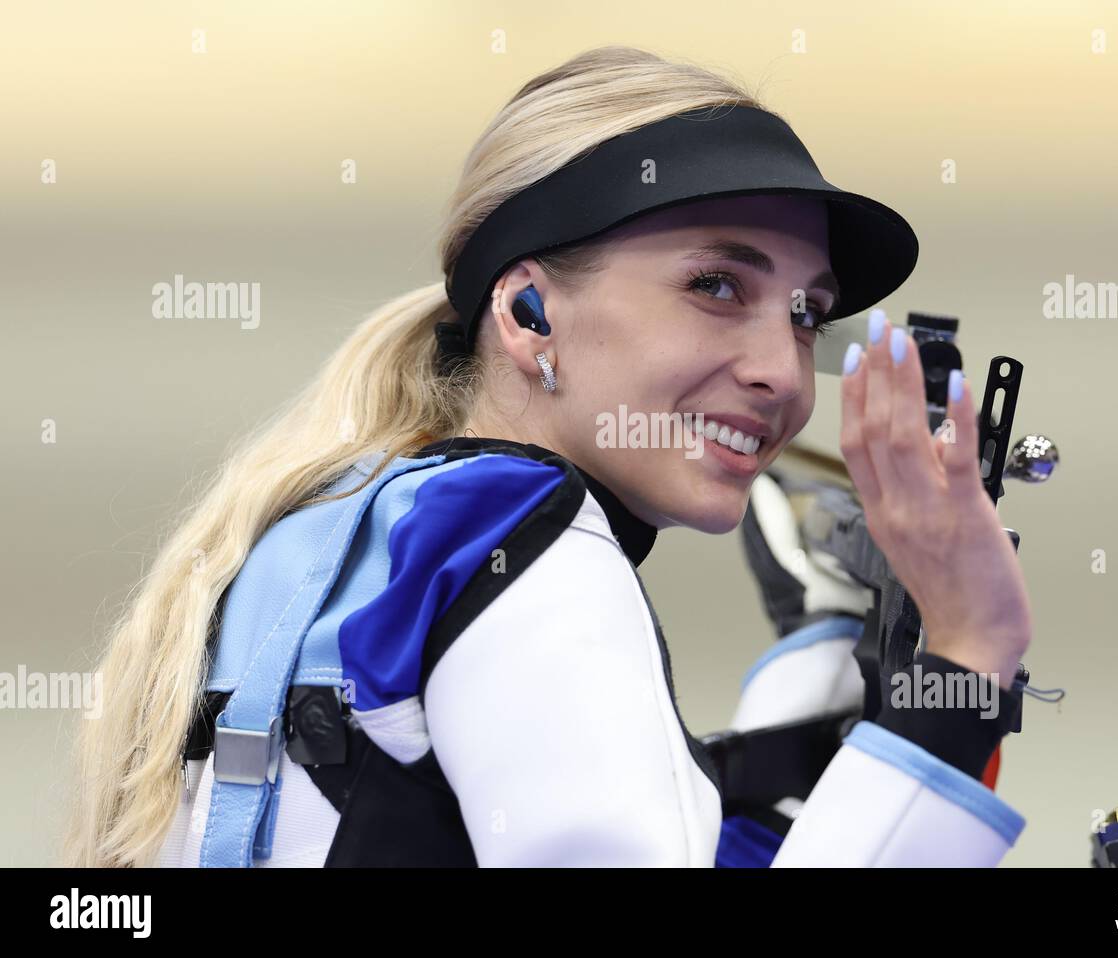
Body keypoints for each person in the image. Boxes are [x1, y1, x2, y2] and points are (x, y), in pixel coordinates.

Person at [64, 45, 1032, 868]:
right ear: (529, 314)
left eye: (806, 315)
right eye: (715, 285)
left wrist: (808, 704)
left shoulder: (349, 521)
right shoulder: (523, 538)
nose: (783, 370)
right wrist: (968, 654)